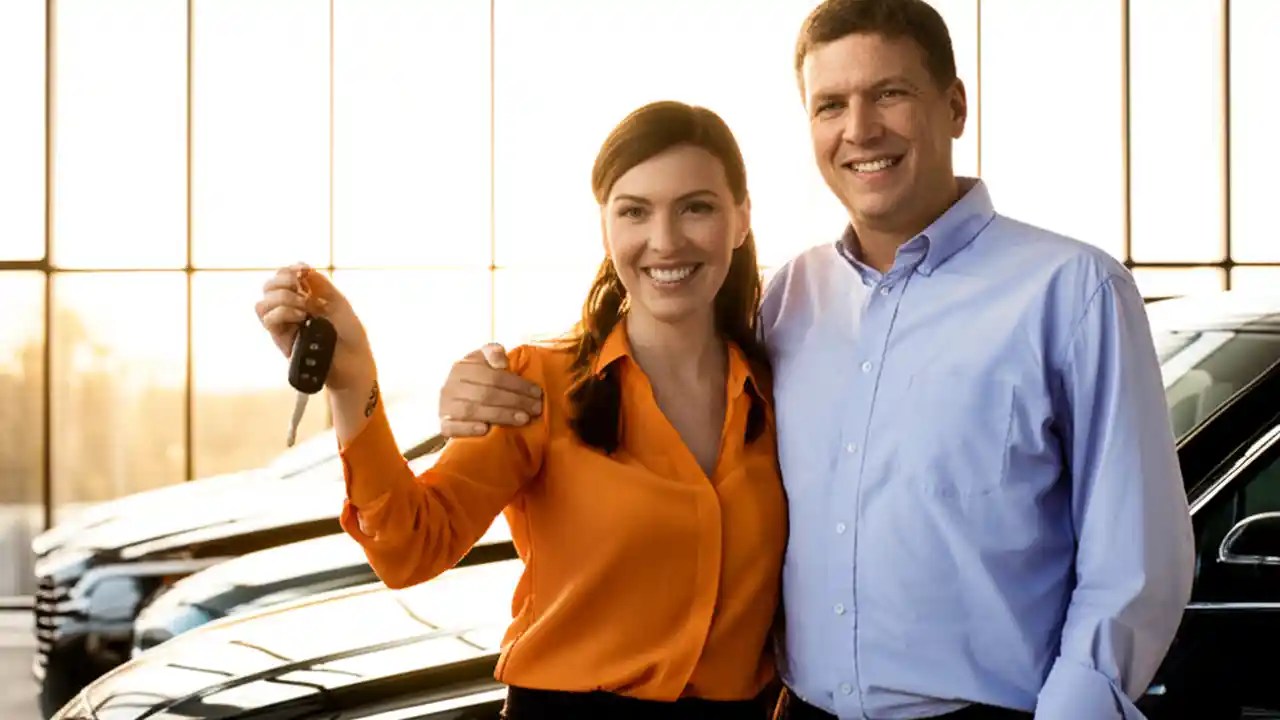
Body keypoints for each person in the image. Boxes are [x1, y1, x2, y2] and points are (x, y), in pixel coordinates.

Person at [432, 1, 1197, 719]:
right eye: (830, 105)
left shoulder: (1071, 292)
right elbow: (660, 371)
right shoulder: (788, 299)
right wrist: (480, 387)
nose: (859, 129)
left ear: (955, 106)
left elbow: (1135, 568)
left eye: (890, 93)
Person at [254, 100, 787, 720]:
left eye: (696, 207)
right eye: (634, 211)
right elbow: (409, 550)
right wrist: (353, 385)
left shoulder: (783, 389)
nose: (664, 241)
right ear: (606, 227)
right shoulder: (539, 386)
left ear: (742, 218)